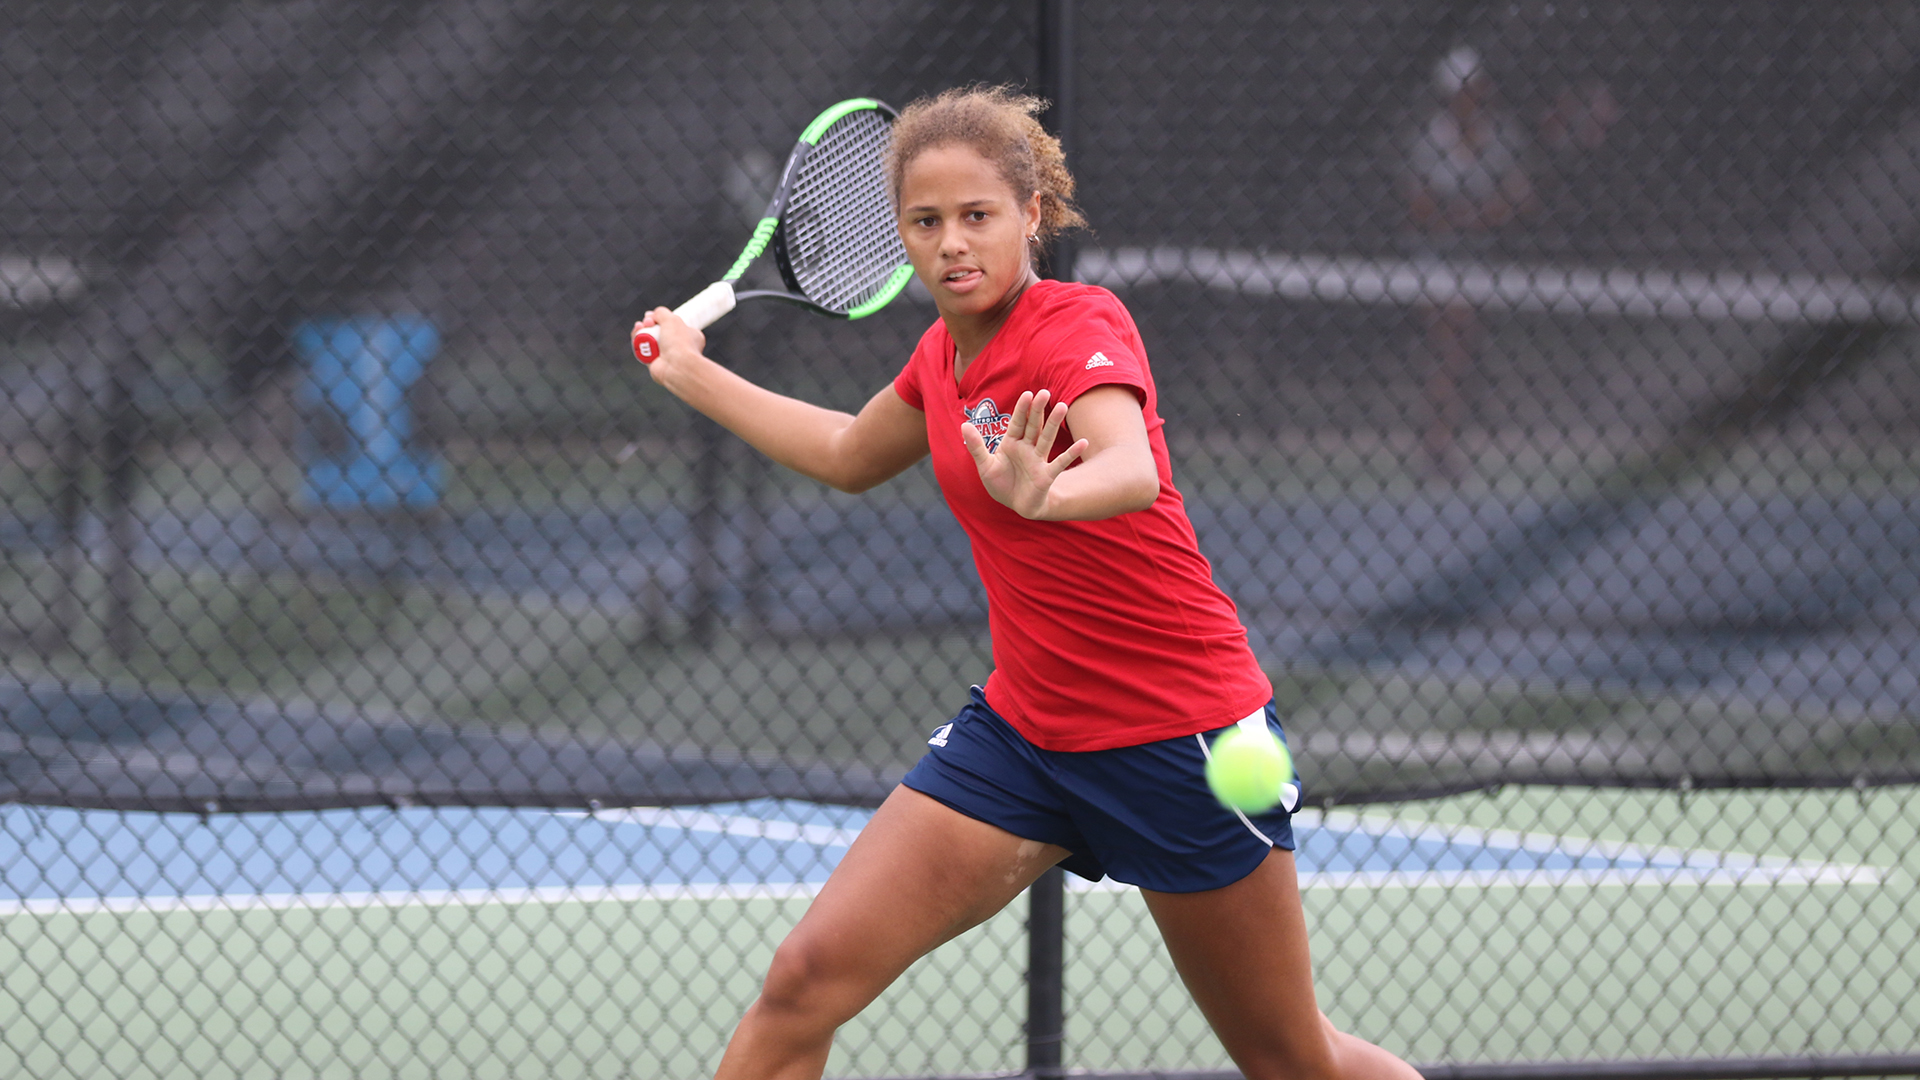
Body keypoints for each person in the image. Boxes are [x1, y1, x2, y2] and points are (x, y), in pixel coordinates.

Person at [634, 85, 1423, 1080]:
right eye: (926, 222)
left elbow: (1129, 465)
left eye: (978, 216)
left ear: (1030, 217)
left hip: (1178, 742)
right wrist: (697, 375)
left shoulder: (1075, 325)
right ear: (901, 236)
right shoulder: (939, 357)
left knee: (1292, 1058)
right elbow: (843, 451)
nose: (952, 243)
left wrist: (1050, 495)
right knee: (805, 980)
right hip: (1026, 740)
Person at [1404, 46, 1536, 478]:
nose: (1468, 97)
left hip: (1481, 261)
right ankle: (1438, 441)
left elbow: (1519, 195)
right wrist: (1461, 219)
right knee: (1449, 346)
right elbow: (1419, 203)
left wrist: (1480, 217)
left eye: (1474, 89)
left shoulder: (1499, 137)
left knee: (1458, 349)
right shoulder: (1431, 138)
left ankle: (1445, 435)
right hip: (1435, 260)